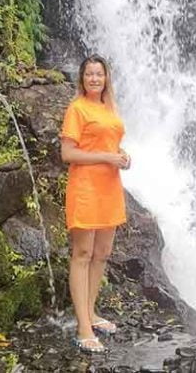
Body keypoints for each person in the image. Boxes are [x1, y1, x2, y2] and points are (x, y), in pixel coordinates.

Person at [59, 54, 131, 354]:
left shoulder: (108, 109)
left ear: (106, 79)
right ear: (82, 79)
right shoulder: (77, 109)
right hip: (86, 188)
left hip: (110, 187)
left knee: (102, 253)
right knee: (83, 253)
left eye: (99, 74)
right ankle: (83, 327)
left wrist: (122, 156)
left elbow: (109, 144)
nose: (94, 79)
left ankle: (91, 313)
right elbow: (68, 154)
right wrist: (107, 157)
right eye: (89, 74)